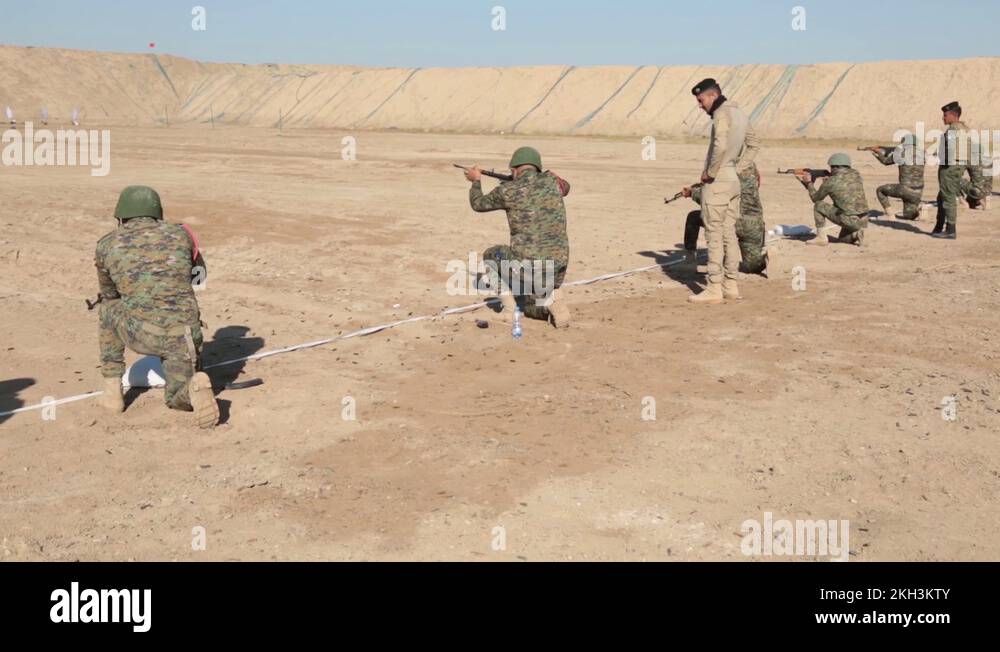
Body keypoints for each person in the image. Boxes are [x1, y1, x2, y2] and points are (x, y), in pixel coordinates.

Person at [95, 186, 218, 428]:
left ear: (121, 216)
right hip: (184, 336)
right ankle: (191, 392)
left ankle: (112, 392)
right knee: (175, 397)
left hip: (143, 333)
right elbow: (199, 278)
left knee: (107, 310)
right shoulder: (181, 234)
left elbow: (110, 294)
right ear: (157, 212)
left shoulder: (107, 244)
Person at [465, 147, 572, 328]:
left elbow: (478, 204)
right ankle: (553, 303)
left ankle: (508, 311)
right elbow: (566, 187)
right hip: (558, 267)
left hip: (529, 265)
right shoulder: (553, 183)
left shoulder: (508, 190)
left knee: (491, 255)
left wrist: (476, 181)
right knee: (530, 306)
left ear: (514, 170)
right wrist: (554, 175)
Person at [688, 78, 760, 304]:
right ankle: (731, 284)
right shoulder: (739, 112)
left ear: (712, 95)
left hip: (719, 181)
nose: (700, 106)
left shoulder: (721, 114)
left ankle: (714, 288)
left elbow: (719, 145)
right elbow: (754, 143)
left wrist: (710, 172)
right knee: (729, 234)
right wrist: (738, 167)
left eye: (701, 100)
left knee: (714, 236)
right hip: (733, 180)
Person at [682, 162, 771, 276]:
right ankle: (762, 258)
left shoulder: (722, 166)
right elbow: (757, 183)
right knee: (753, 267)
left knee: (693, 217)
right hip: (754, 224)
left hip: (732, 220)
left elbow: (712, 198)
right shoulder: (750, 165)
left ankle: (689, 260)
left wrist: (692, 193)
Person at [796, 154, 870, 246]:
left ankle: (821, 238)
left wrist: (809, 184)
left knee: (819, 205)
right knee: (843, 239)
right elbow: (841, 187)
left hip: (849, 219)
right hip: (863, 219)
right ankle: (856, 234)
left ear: (836, 167)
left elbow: (816, 198)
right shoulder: (856, 174)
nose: (830, 169)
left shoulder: (831, 181)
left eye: (831, 167)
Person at [867, 134, 924, 220]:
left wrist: (876, 153)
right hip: (918, 191)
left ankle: (890, 215)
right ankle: (922, 209)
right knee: (909, 216)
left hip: (905, 189)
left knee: (880, 190)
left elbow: (885, 161)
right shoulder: (922, 153)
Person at [933, 101, 968, 239]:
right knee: (942, 196)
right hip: (959, 165)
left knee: (947, 197)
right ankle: (939, 226)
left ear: (954, 115)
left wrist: (944, 161)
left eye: (946, 115)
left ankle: (950, 229)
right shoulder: (964, 128)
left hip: (951, 167)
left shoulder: (953, 129)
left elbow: (951, 148)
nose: (943, 117)